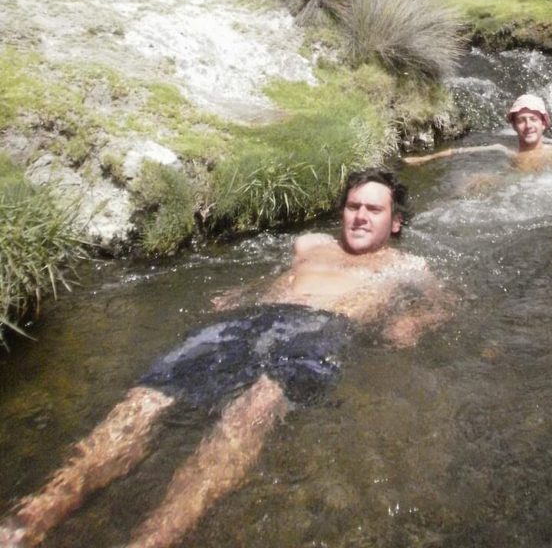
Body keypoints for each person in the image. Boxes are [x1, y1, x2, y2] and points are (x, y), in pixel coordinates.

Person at [0, 169, 448, 548]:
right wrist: (243, 294)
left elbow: (445, 304)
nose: (360, 216)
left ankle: (152, 539)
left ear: (395, 222)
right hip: (251, 321)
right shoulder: (311, 244)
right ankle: (35, 516)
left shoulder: (408, 267)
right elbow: (280, 279)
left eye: (373, 209)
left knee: (254, 409)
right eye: (353, 206)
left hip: (320, 332)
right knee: (147, 396)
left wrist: (415, 321)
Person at [403, 94, 552, 174]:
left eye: (533, 119)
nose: (528, 125)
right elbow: (456, 152)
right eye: (522, 120)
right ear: (514, 126)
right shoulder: (503, 150)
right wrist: (423, 159)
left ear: (543, 124)